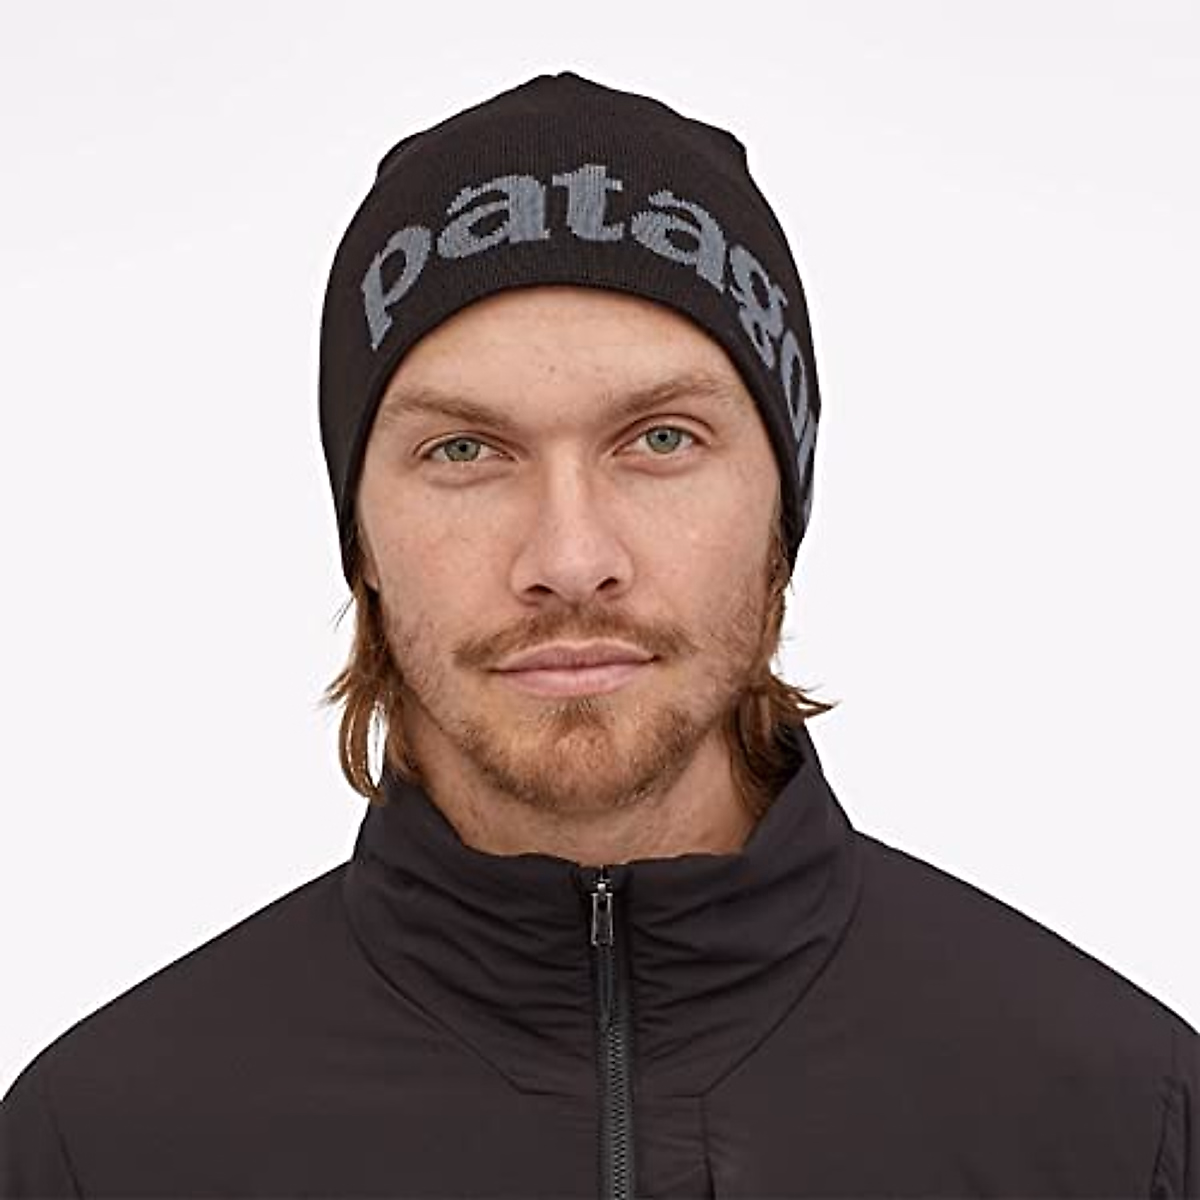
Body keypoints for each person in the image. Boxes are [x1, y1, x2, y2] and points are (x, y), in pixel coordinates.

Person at [1, 69, 1196, 1200]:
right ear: (359, 533)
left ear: (781, 510)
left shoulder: (1118, 1124)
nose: (571, 559)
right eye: (463, 450)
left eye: (661, 439)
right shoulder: (105, 1148)